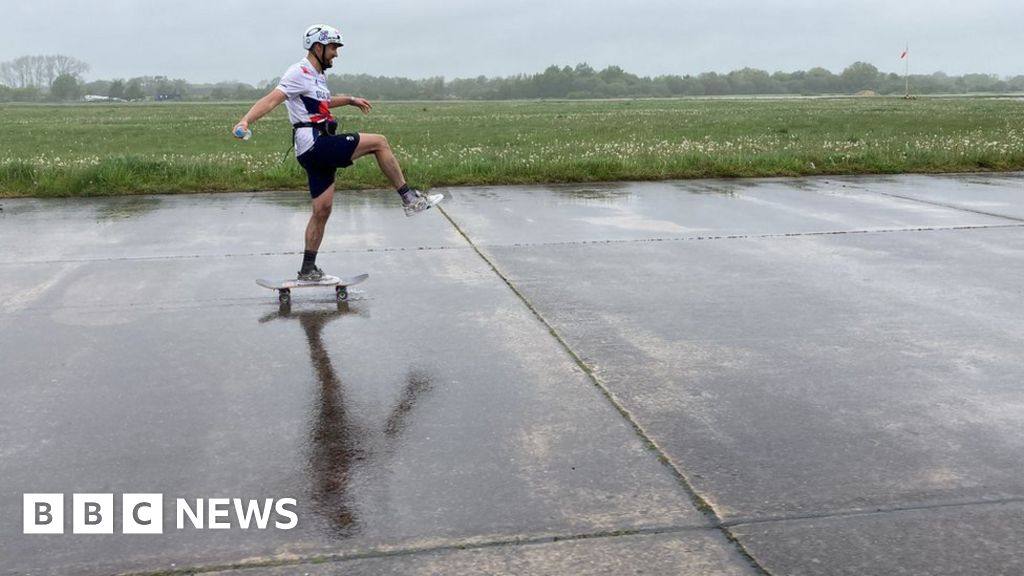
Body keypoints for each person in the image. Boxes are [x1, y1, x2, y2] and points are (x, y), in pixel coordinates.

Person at [232, 24, 442, 281]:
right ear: (318, 47)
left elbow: (323, 103)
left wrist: (351, 100)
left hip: (316, 146)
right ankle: (409, 197)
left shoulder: (318, 76)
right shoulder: (298, 72)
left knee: (322, 209)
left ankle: (308, 268)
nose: (336, 54)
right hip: (315, 145)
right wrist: (245, 121)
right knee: (380, 142)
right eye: (333, 48)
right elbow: (272, 99)